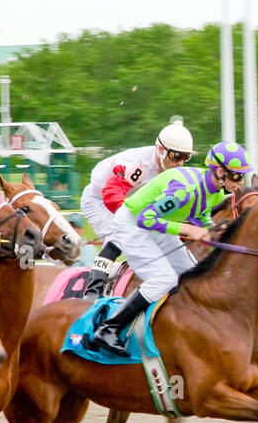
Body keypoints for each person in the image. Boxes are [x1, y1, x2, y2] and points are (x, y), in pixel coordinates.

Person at [89, 141, 253, 357]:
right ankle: (108, 328)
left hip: (158, 226)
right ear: (221, 172)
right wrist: (187, 229)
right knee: (164, 279)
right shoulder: (184, 190)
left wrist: (210, 231)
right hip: (132, 225)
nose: (241, 182)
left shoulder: (215, 190)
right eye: (237, 176)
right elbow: (146, 218)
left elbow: (200, 214)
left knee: (196, 275)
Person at [80, 120, 195, 300]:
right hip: (100, 199)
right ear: (161, 150)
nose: (180, 163)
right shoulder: (138, 165)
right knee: (118, 236)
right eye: (176, 156)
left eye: (185, 157)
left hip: (129, 201)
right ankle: (92, 291)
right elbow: (112, 194)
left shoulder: (171, 169)